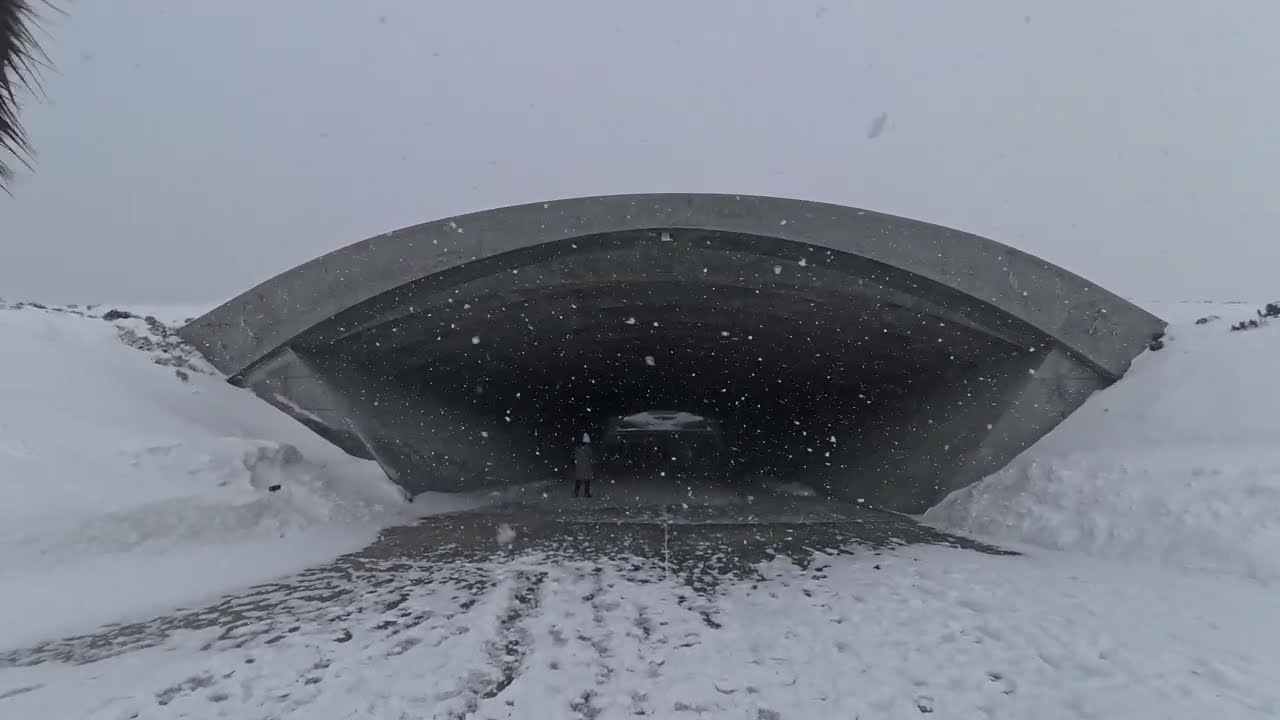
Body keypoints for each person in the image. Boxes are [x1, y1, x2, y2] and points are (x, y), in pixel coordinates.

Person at [573, 433, 594, 498]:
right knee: (587, 481)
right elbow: (591, 455)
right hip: (586, 466)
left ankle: (576, 493)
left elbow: (574, 456)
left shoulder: (577, 449)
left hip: (580, 466)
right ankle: (586, 493)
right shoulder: (587, 448)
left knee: (579, 480)